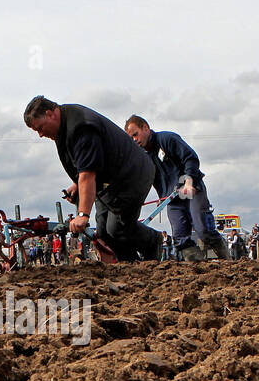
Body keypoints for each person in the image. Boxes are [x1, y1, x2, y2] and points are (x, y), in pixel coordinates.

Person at [24, 96, 162, 262]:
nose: (40, 134)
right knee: (103, 232)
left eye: (40, 128)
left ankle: (153, 241)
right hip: (107, 181)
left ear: (49, 114)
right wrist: (76, 184)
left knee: (117, 227)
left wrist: (83, 214)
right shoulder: (62, 127)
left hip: (131, 174)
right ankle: (130, 264)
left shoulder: (81, 126)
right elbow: (86, 162)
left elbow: (88, 173)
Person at [123, 114, 230, 261]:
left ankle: (227, 260)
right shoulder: (142, 157)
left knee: (203, 229)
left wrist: (188, 181)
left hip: (190, 190)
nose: (134, 140)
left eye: (136, 134)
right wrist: (162, 195)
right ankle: (198, 269)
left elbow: (190, 158)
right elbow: (153, 179)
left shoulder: (167, 139)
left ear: (145, 128)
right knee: (180, 238)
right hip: (171, 198)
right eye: (131, 138)